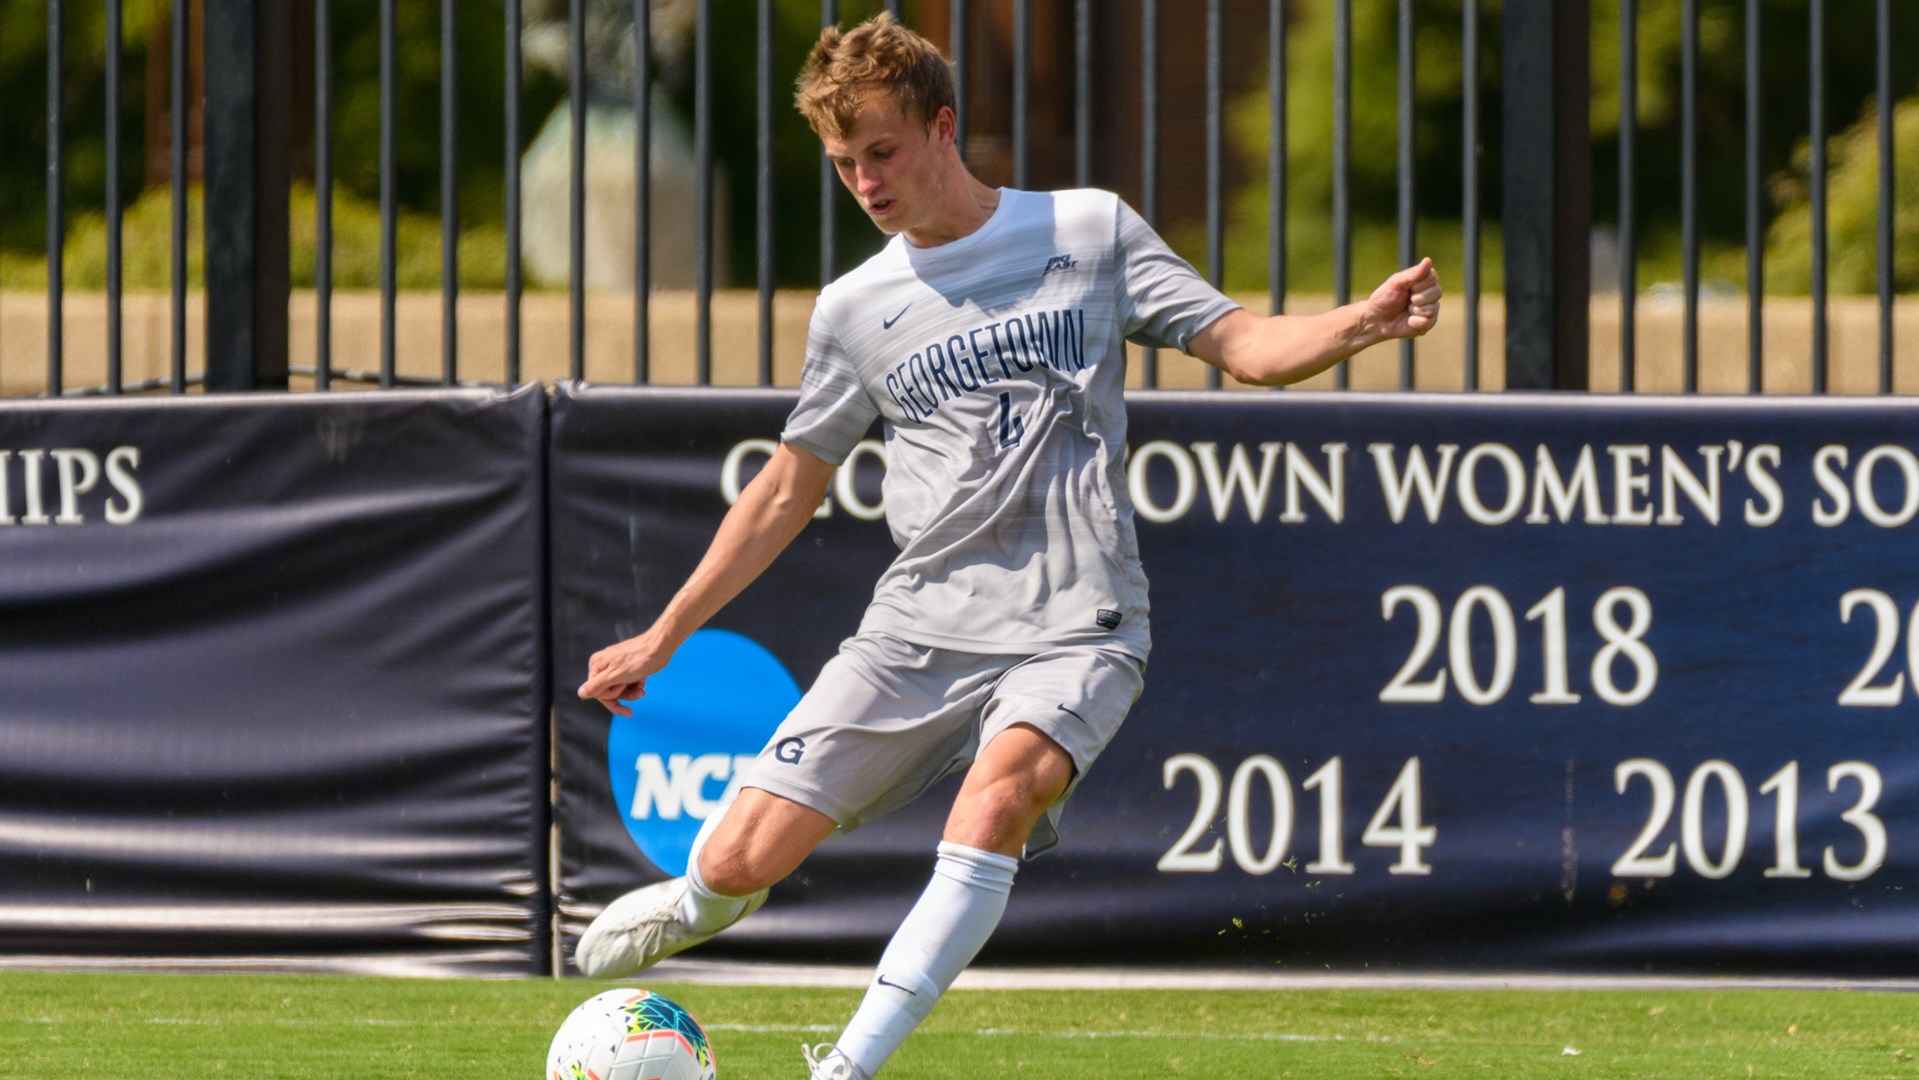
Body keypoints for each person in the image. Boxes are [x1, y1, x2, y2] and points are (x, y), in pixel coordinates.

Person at [575, 13, 1442, 1079]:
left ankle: (843, 1069)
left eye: (880, 152)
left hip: (1077, 627)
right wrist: (663, 634)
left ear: (943, 128)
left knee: (991, 800)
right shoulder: (854, 309)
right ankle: (693, 899)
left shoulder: (1087, 231)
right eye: (843, 164)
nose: (863, 182)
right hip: (916, 631)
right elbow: (784, 490)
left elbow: (1246, 347)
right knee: (737, 862)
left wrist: (1361, 320)